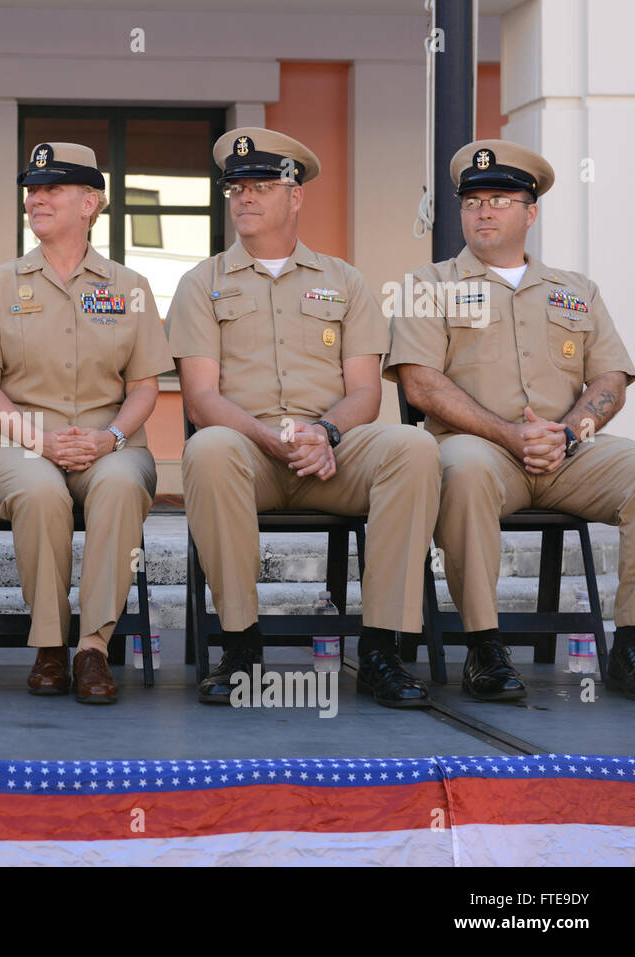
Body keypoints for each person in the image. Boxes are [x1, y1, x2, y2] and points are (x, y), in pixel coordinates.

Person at [169, 127, 440, 708]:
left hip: (333, 453)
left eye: (261, 186)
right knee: (208, 447)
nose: (244, 197)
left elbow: (366, 392)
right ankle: (240, 645)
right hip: (248, 451)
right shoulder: (201, 283)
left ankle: (380, 649)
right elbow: (201, 397)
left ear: (295, 197)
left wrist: (325, 433)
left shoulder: (344, 281)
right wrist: (270, 438)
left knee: (414, 449)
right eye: (235, 187)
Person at [386, 139, 635, 702]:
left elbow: (611, 380)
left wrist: (569, 433)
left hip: (569, 452)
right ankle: (484, 648)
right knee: (465, 472)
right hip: (477, 447)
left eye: (500, 199)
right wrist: (510, 434)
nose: (484, 211)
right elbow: (421, 383)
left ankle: (632, 643)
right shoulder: (429, 287)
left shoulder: (576, 290)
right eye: (473, 201)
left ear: (531, 212)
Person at [0, 142, 173, 705]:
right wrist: (40, 442)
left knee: (123, 484)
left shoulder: (130, 287)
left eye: (52, 188)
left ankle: (92, 648)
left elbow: (145, 386)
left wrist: (111, 438)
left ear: (90, 202)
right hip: (12, 441)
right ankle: (49, 642)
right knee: (39, 488)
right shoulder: (0, 283)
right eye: (32, 189)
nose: (36, 199)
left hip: (108, 441)